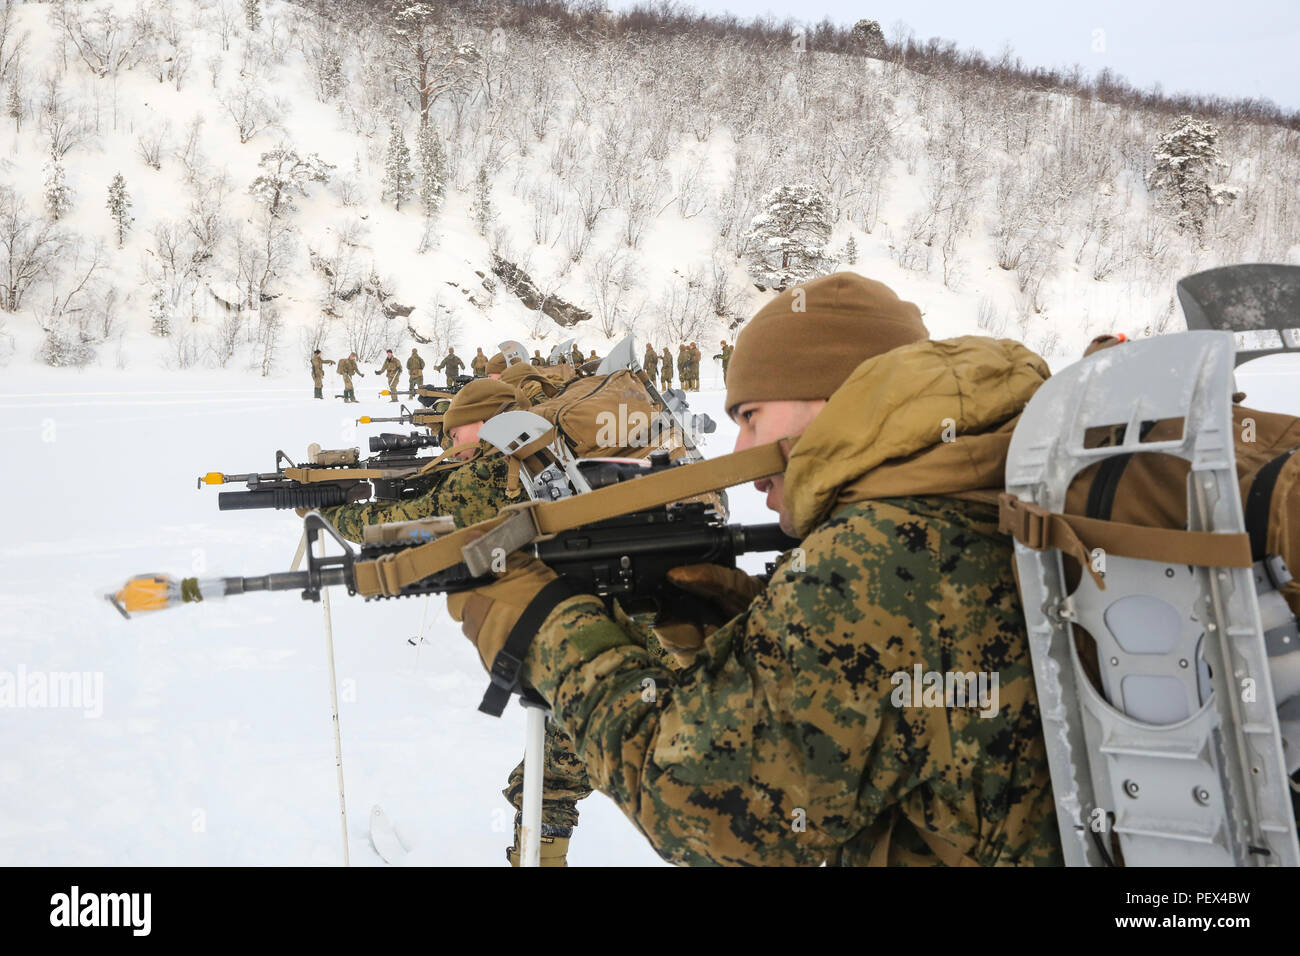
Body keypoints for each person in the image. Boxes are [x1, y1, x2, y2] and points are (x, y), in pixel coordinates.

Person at [445, 271, 1064, 866]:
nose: (741, 453)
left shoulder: (879, 551)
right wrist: (744, 630)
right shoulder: (979, 497)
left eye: (751, 418)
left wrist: (548, 631)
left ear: (834, 398)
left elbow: (703, 810)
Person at [319, 379, 596, 866]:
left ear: (488, 423)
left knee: (552, 781)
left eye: (455, 435)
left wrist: (335, 514)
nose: (449, 447)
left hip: (600, 638)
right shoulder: (537, 450)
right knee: (551, 776)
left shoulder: (496, 468)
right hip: (598, 624)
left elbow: (417, 524)